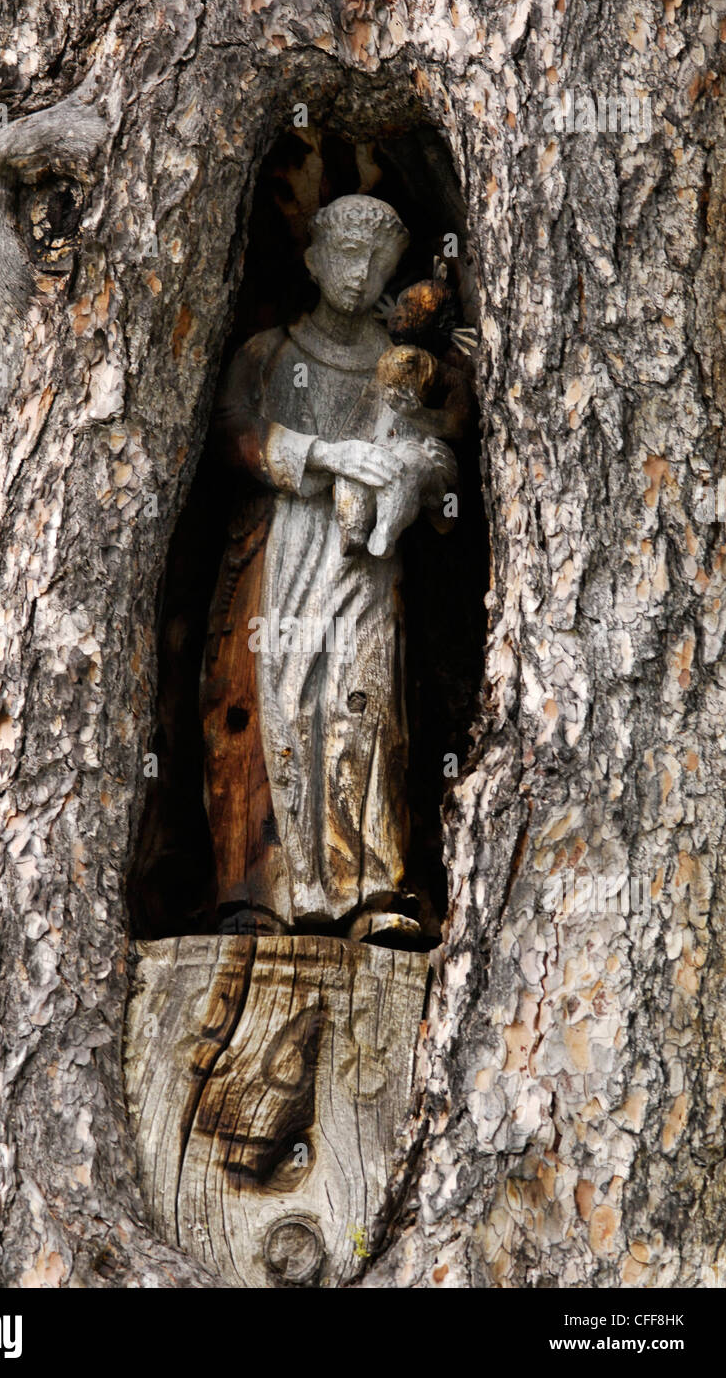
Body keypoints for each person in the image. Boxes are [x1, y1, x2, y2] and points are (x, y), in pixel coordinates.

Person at [201, 194, 454, 936]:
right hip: (281, 550)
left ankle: (370, 886)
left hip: (365, 562)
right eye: (343, 254)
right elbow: (230, 432)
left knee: (364, 702)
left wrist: (410, 472)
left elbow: (439, 453)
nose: (359, 271)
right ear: (312, 260)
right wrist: (322, 452)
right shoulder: (269, 352)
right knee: (280, 703)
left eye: (376, 259)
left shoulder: (404, 366)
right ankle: (273, 889)